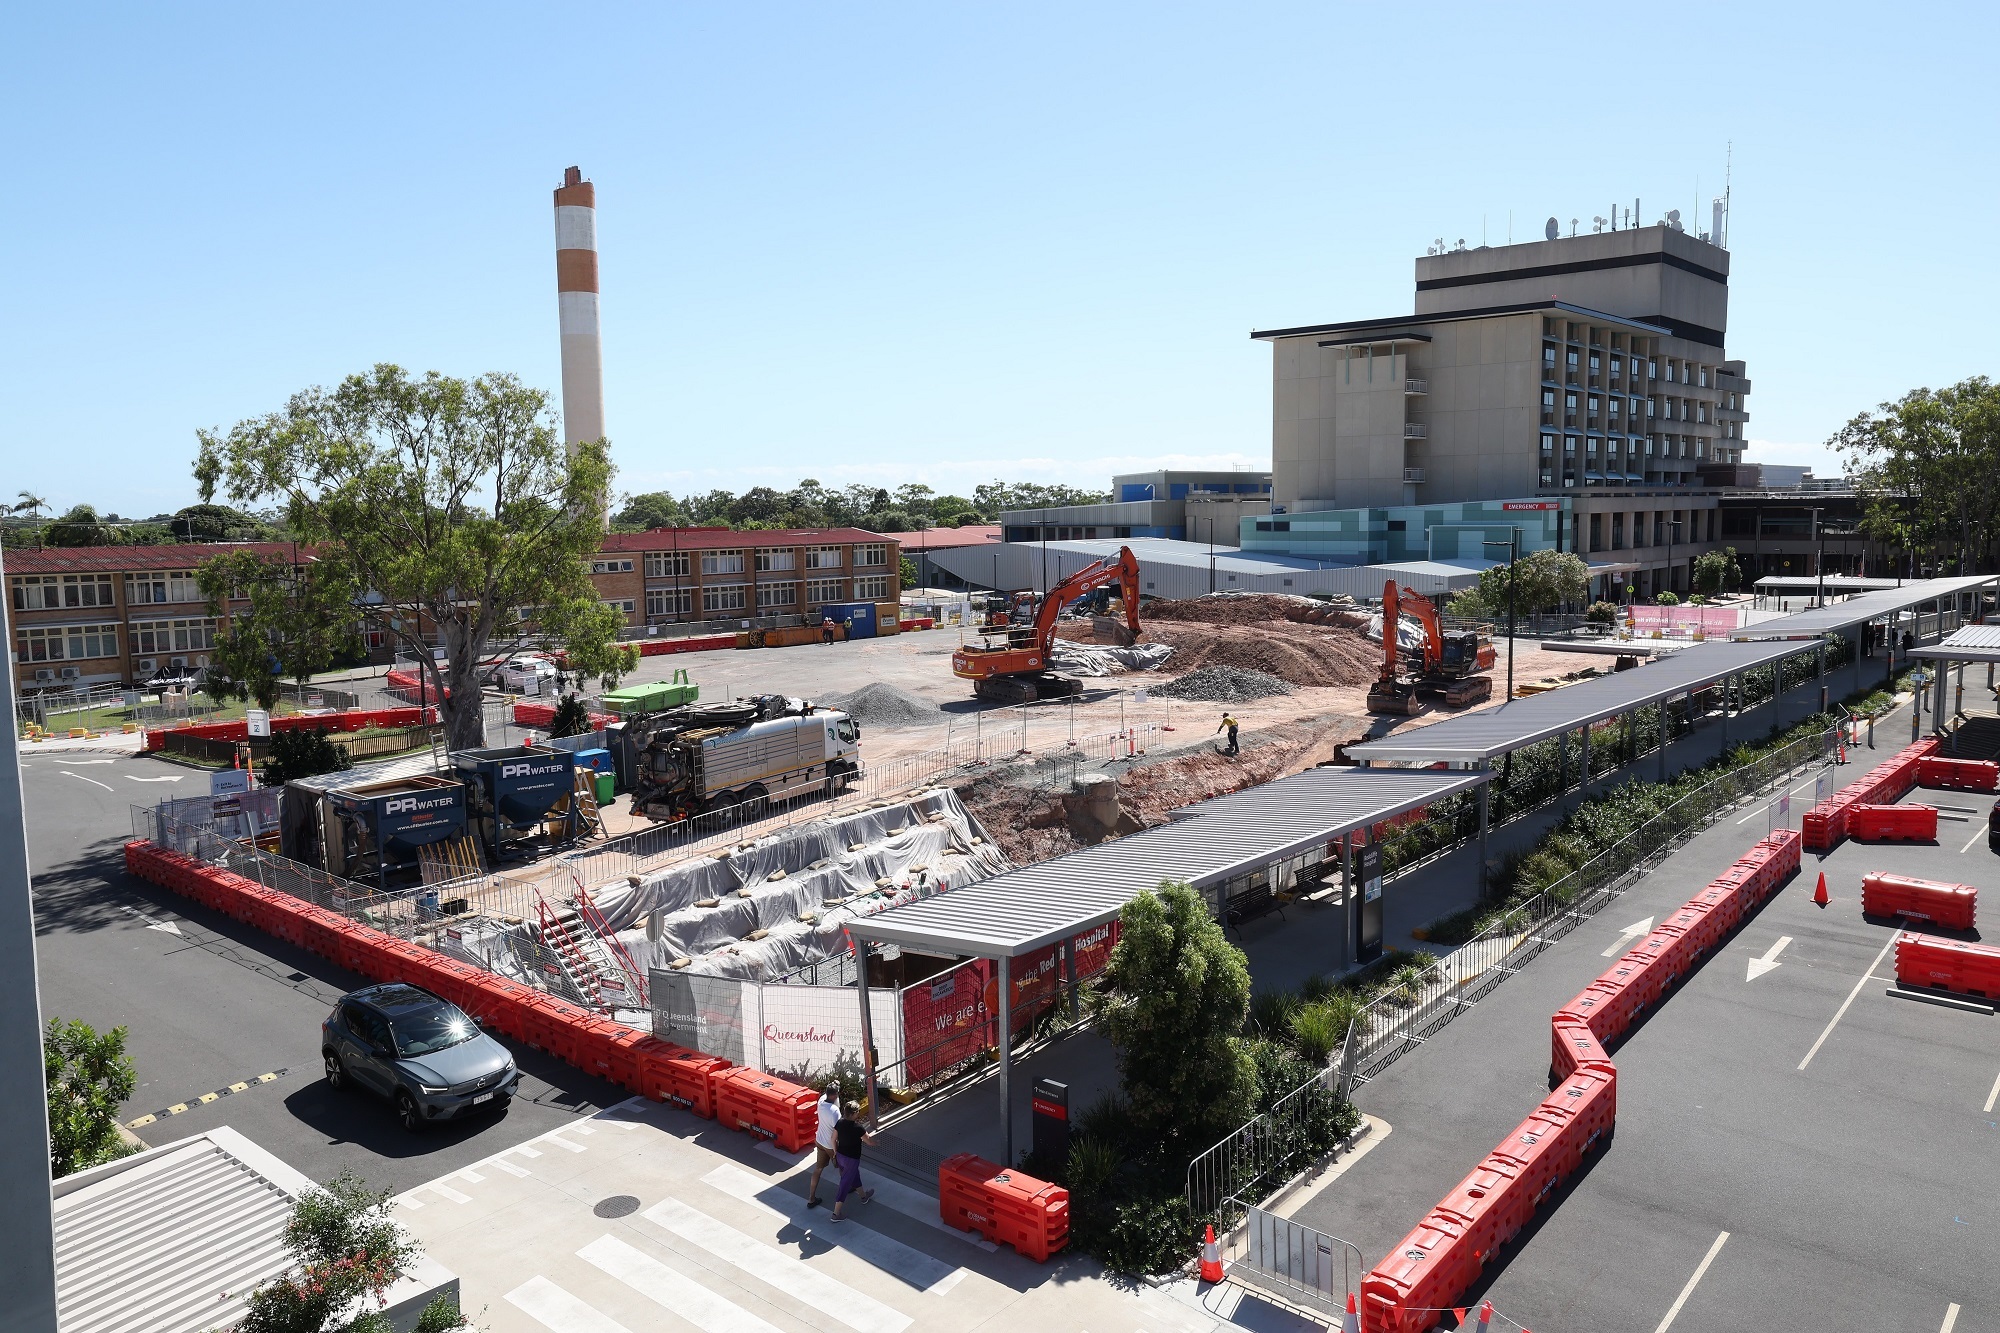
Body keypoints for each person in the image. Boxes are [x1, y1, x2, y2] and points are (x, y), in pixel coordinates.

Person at [830, 1100, 875, 1221]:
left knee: (855, 1176)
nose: (858, 1113)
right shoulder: (858, 1128)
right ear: (854, 1113)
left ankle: (864, 1197)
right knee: (844, 1185)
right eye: (858, 1111)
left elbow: (833, 1139)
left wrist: (835, 1152)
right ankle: (836, 1214)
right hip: (852, 1160)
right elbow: (869, 1141)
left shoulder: (840, 1123)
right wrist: (877, 1142)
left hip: (840, 1156)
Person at [807, 1082, 840, 1206]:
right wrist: (837, 1150)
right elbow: (838, 1130)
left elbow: (825, 1095)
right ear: (835, 1095)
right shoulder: (834, 1111)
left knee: (818, 1169)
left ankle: (811, 1198)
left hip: (820, 1141)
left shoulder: (820, 1102)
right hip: (831, 1145)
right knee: (842, 1167)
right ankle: (849, 1187)